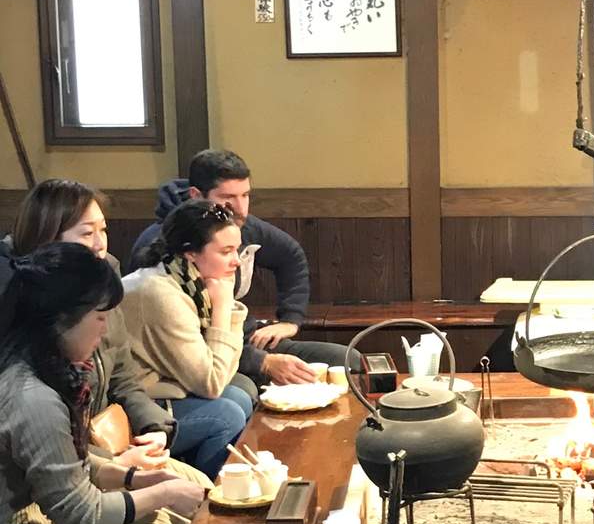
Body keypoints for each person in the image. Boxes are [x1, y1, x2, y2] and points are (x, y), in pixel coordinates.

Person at [0, 243, 205, 524]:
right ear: (62, 319)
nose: (107, 327)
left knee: (173, 484)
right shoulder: (32, 397)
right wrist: (163, 493)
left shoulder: (32, 367)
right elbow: (79, 515)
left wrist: (132, 476)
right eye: (99, 316)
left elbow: (68, 461)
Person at [0, 179, 210, 488]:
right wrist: (115, 465)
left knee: (202, 489)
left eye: (104, 230)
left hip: (109, 444)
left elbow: (123, 377)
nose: (101, 244)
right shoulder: (26, 304)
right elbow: (43, 432)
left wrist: (154, 427)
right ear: (48, 240)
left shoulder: (105, 280)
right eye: (87, 233)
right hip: (67, 470)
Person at [132, 149, 359, 388]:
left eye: (246, 195)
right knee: (243, 392)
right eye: (228, 198)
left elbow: (291, 255)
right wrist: (263, 362)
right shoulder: (162, 248)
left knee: (347, 360)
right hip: (196, 360)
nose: (240, 209)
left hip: (244, 339)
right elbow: (189, 353)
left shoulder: (239, 224)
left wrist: (290, 319)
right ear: (196, 195)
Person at [125, 200, 255, 477]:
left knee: (241, 395)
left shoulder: (187, 280)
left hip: (165, 388)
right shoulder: (160, 293)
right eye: (226, 251)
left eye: (237, 249)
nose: (236, 261)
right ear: (190, 253)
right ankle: (206, 503)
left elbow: (220, 375)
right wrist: (224, 308)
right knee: (226, 414)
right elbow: (211, 383)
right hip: (135, 407)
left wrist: (223, 303)